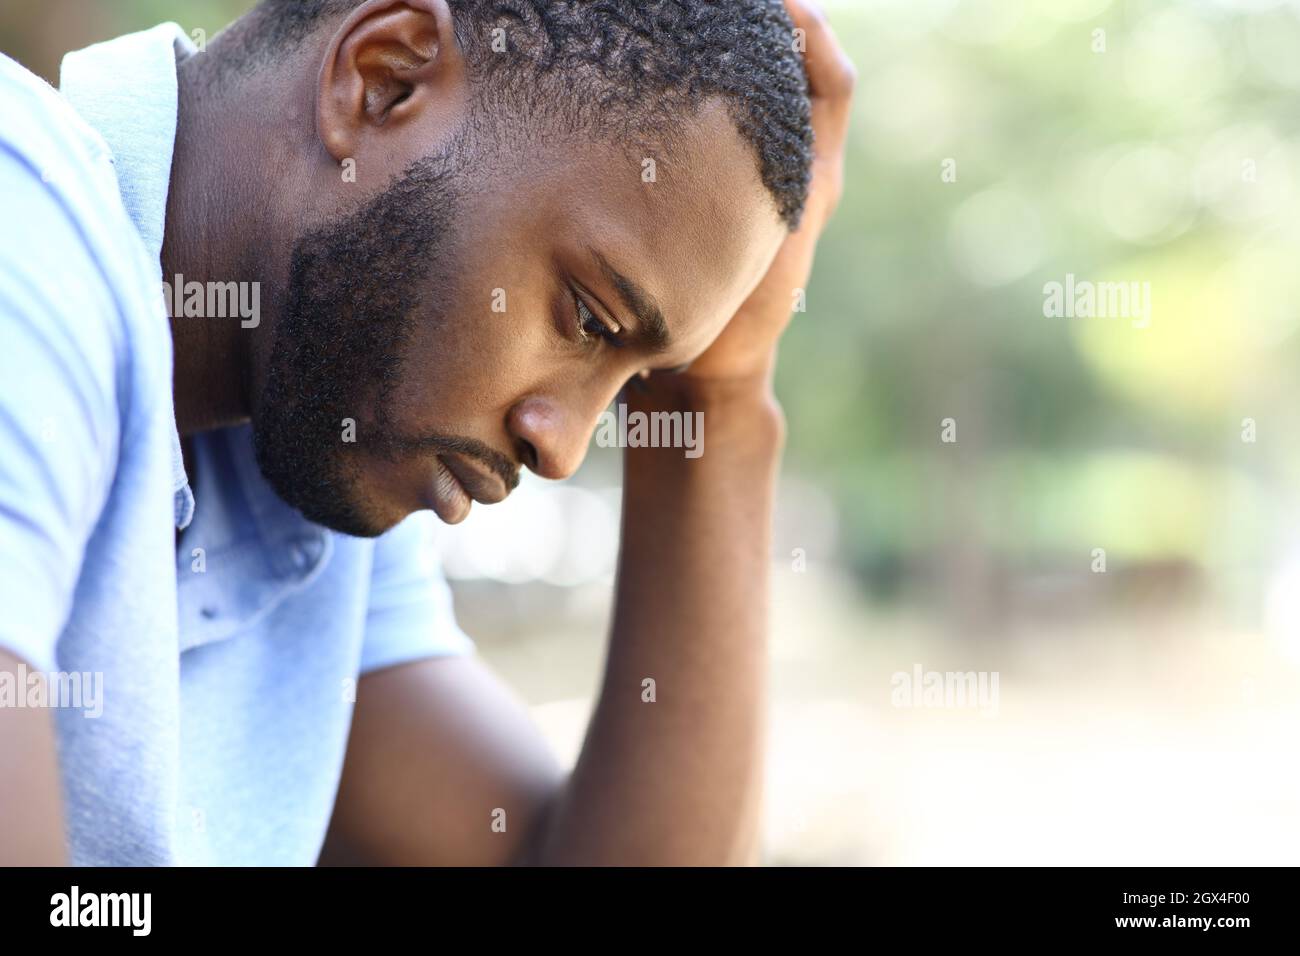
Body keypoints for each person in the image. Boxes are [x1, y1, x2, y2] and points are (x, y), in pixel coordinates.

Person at [0, 0, 854, 865]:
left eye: (636, 382)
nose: (561, 450)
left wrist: (717, 396)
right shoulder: (20, 220)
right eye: (588, 320)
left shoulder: (317, 417)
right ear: (383, 80)